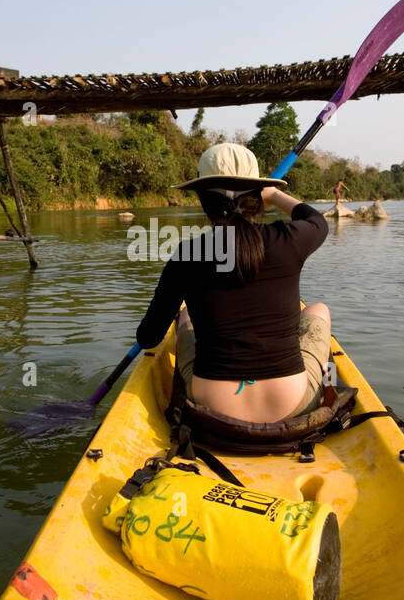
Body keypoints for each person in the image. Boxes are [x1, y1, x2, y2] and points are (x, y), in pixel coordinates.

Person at [136, 143, 330, 424]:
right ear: (258, 198)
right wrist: (275, 195)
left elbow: (148, 338)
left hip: (214, 408)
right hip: (291, 404)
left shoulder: (187, 254)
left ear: (204, 201)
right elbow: (316, 220)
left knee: (186, 316)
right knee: (318, 310)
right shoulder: (289, 240)